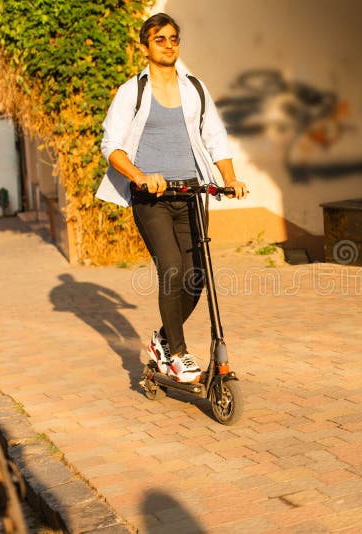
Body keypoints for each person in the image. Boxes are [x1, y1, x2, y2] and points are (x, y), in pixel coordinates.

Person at [98, 13, 247, 383]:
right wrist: (140, 177)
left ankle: (162, 341)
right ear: (145, 46)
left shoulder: (195, 88)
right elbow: (111, 146)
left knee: (196, 278)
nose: (168, 45)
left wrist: (229, 178)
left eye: (173, 38)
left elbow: (215, 136)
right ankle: (178, 355)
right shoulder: (131, 91)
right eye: (160, 39)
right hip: (152, 198)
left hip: (191, 193)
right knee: (172, 268)